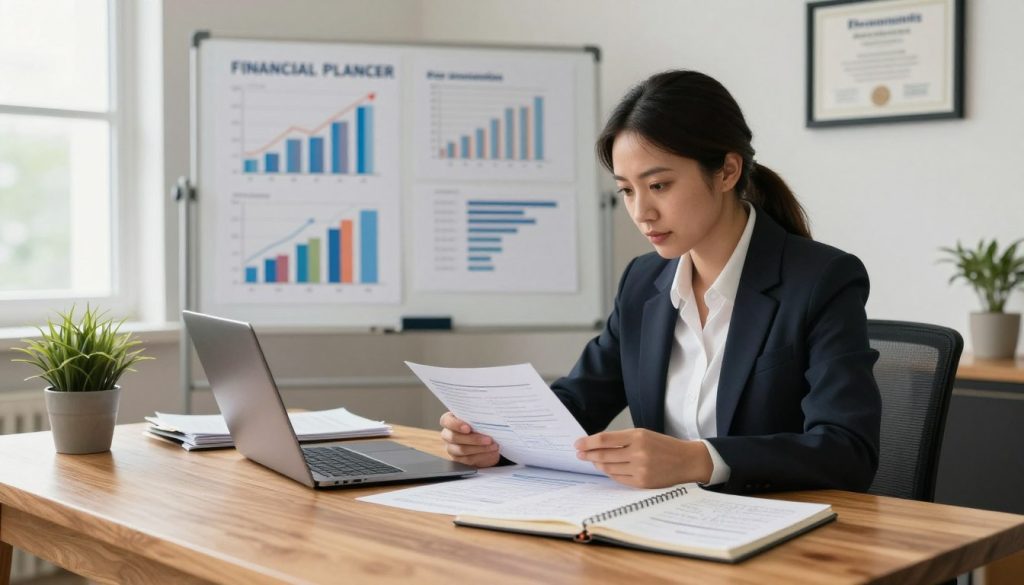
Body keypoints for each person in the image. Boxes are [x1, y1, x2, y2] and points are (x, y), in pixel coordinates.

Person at [438, 70, 882, 494]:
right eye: (627, 190)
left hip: (776, 538)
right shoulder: (643, 281)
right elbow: (578, 403)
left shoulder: (821, 280)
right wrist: (494, 440)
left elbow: (847, 451)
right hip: (656, 529)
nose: (641, 212)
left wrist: (699, 460)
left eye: (659, 185)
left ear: (727, 172)